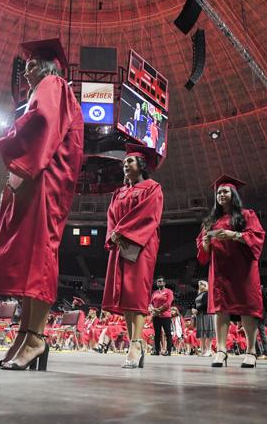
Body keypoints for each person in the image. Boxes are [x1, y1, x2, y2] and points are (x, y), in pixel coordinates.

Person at [0, 38, 84, 371]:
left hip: (46, 180)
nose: (25, 72)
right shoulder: (49, 88)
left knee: (39, 258)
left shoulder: (53, 84)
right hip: (38, 179)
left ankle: (37, 337)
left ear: (47, 66)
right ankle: (25, 336)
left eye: (29, 65)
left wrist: (1, 144)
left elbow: (40, 123)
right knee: (29, 262)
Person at [102, 144, 164, 369]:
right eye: (124, 162)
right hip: (120, 245)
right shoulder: (118, 192)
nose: (125, 164)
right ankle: (134, 344)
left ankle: (137, 344)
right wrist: (113, 234)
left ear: (141, 165)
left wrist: (123, 232)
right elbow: (111, 217)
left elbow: (149, 215)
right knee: (126, 296)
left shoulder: (152, 187)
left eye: (130, 161)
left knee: (136, 294)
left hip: (141, 244)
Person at [196, 175, 265, 369]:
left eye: (225, 191)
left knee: (247, 308)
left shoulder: (246, 215)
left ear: (233, 194)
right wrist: (205, 243)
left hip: (243, 269)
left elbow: (257, 237)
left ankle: (251, 351)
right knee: (220, 309)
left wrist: (234, 235)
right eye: (218, 192)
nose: (221, 195)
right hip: (219, 270)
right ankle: (221, 350)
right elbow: (203, 253)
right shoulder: (211, 221)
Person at [149, 276, 174, 356]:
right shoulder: (154, 292)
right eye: (157, 282)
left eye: (160, 281)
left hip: (166, 315)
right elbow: (151, 303)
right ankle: (157, 350)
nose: (159, 283)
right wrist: (153, 310)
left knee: (168, 334)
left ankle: (168, 351)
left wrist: (158, 310)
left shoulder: (169, 291)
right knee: (157, 334)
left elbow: (168, 303)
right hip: (156, 316)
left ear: (164, 283)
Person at [192, 279, 215, 356]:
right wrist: (193, 309)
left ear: (205, 285)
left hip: (206, 315)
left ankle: (209, 350)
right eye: (199, 284)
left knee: (208, 333)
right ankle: (203, 350)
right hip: (200, 315)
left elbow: (206, 304)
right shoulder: (199, 294)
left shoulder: (208, 293)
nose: (199, 285)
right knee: (202, 333)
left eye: (201, 284)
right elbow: (196, 304)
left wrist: (196, 309)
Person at [256, 285, 267, 359]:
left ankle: (262, 353)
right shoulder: (258, 290)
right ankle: (262, 353)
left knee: (259, 332)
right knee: (258, 332)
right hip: (260, 311)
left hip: (261, 312)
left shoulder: (259, 290)